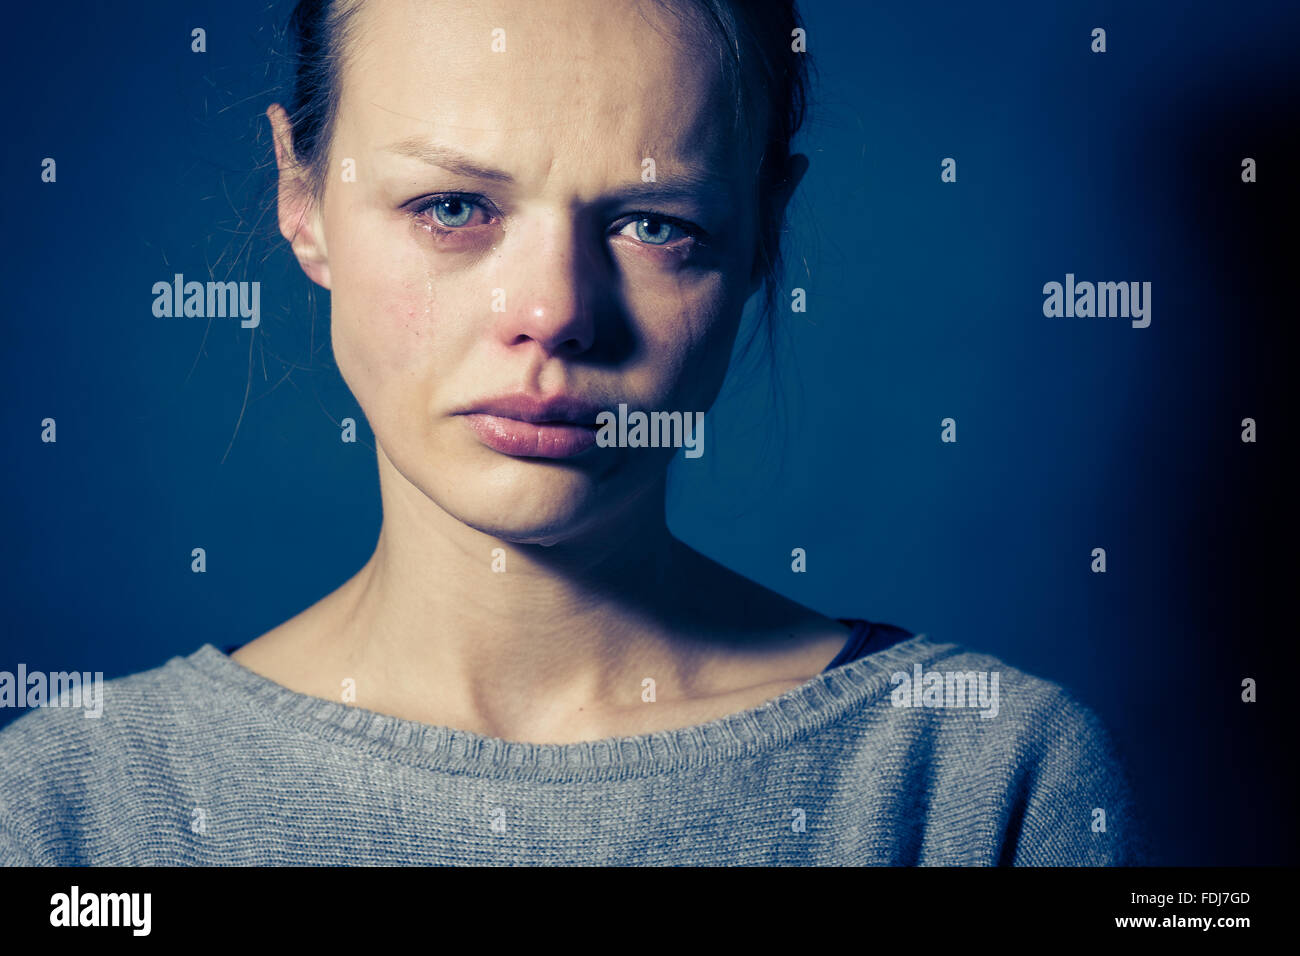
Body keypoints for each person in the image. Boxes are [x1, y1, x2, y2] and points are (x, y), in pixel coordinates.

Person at [0, 0, 1142, 865]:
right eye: (453, 207)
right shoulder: (73, 809)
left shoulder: (980, 780)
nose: (552, 311)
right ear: (303, 199)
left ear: (758, 232)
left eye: (653, 222)